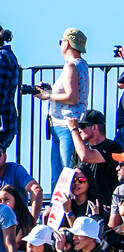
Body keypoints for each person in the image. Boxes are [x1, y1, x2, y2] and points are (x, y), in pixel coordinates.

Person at [33, 28, 89, 179]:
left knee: (64, 174)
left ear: (67, 44)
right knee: (66, 172)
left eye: (61, 42)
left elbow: (71, 97)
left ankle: (60, 203)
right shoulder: (82, 64)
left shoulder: (70, 66)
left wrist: (48, 95)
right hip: (68, 124)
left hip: (65, 124)